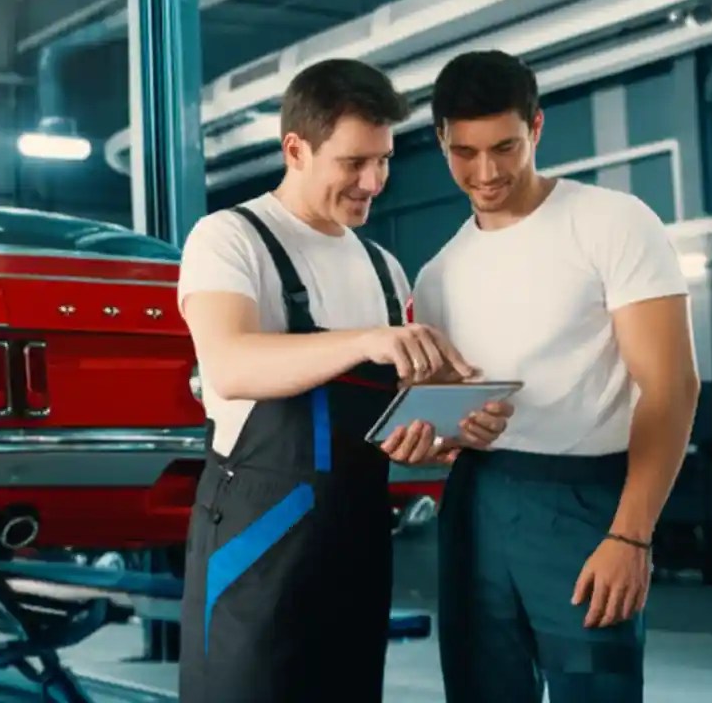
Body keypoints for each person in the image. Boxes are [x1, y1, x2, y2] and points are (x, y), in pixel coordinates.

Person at [174, 58, 515, 703]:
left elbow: (390, 421)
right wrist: (365, 339)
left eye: (383, 160)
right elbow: (230, 365)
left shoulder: (383, 268)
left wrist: (448, 430)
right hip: (257, 538)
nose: (374, 182)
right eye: (354, 162)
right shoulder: (229, 239)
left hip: (358, 535)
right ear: (295, 150)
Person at [413, 50, 700, 703]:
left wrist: (631, 533)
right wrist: (442, 433)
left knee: (595, 692)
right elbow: (444, 423)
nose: (487, 172)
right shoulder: (437, 275)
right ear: (441, 141)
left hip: (585, 503)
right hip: (476, 504)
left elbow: (672, 386)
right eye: (465, 152)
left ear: (536, 127)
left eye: (505, 147)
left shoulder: (612, 223)